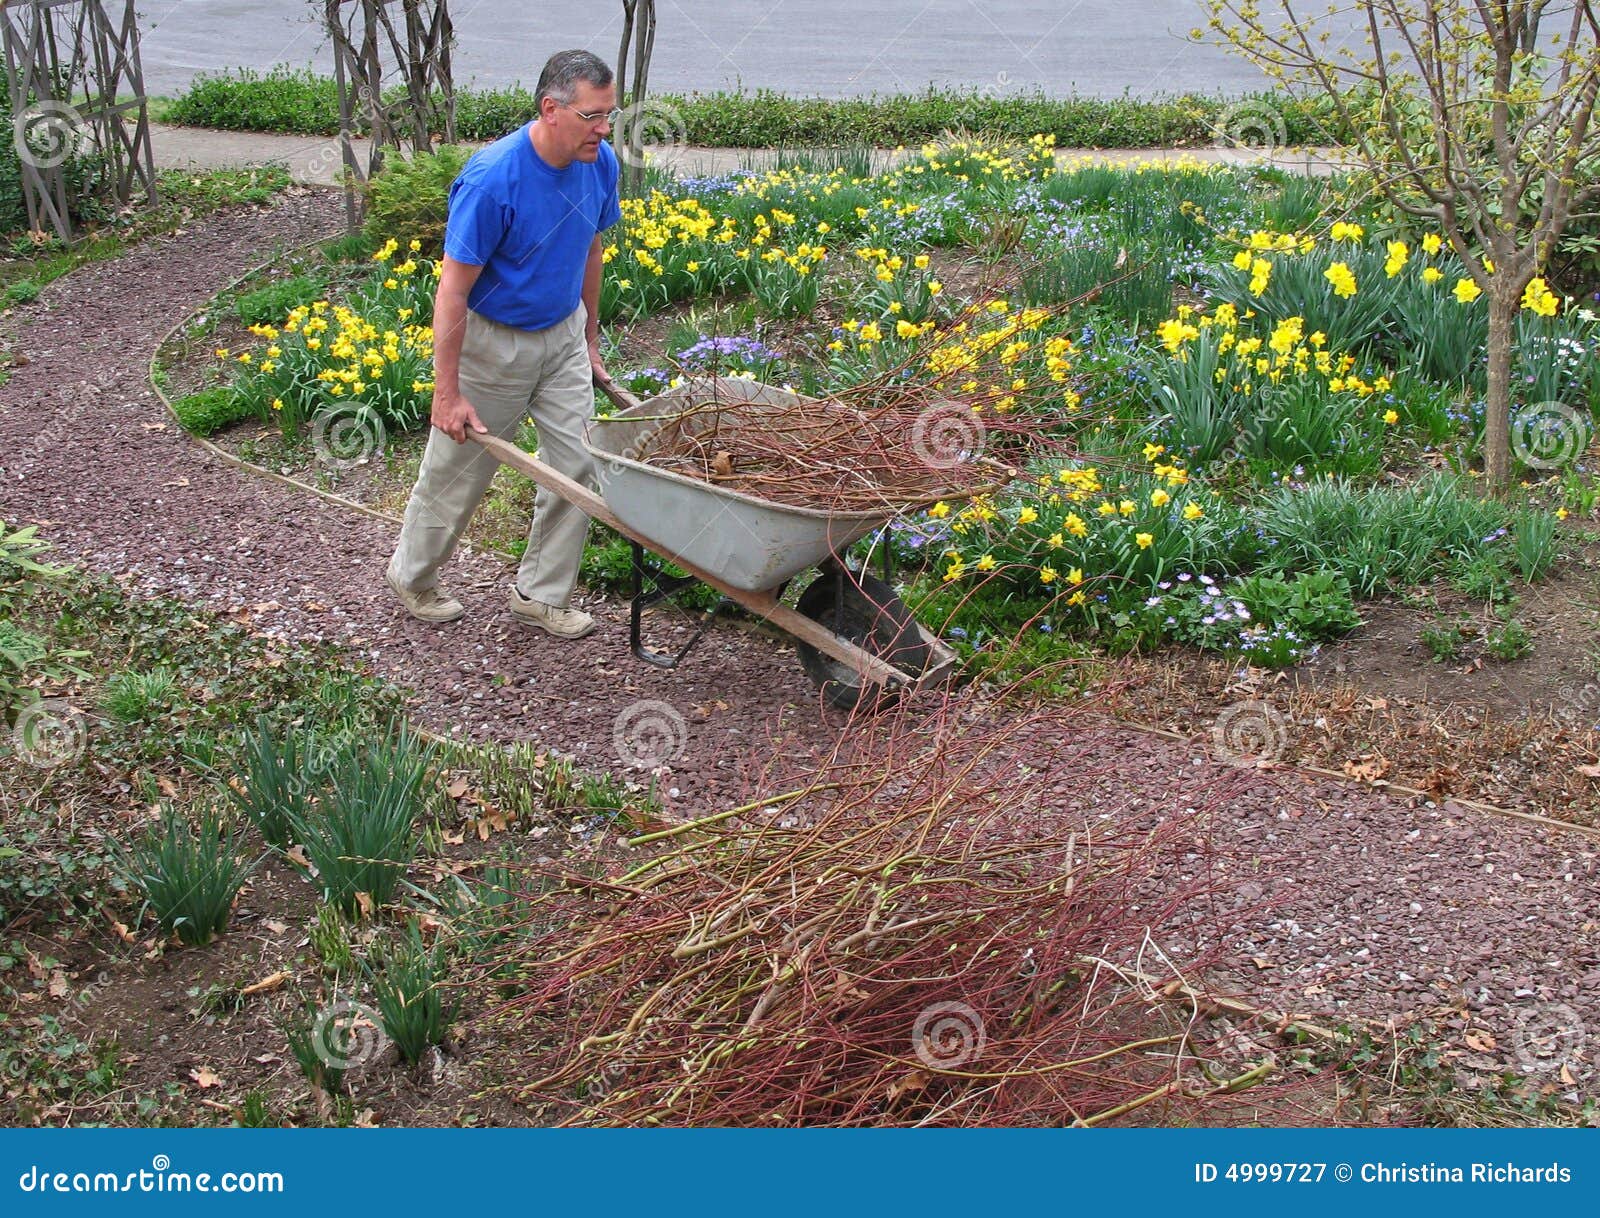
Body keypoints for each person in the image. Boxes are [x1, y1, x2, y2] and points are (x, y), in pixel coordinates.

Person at [385, 48, 622, 640]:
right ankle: (414, 576)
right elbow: (452, 291)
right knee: (459, 469)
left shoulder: (600, 162)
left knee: (577, 465)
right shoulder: (494, 179)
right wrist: (448, 391)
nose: (605, 127)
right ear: (551, 109)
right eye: (594, 115)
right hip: (494, 343)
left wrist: (590, 341)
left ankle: (539, 593)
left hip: (562, 334)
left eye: (610, 114)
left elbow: (591, 249)